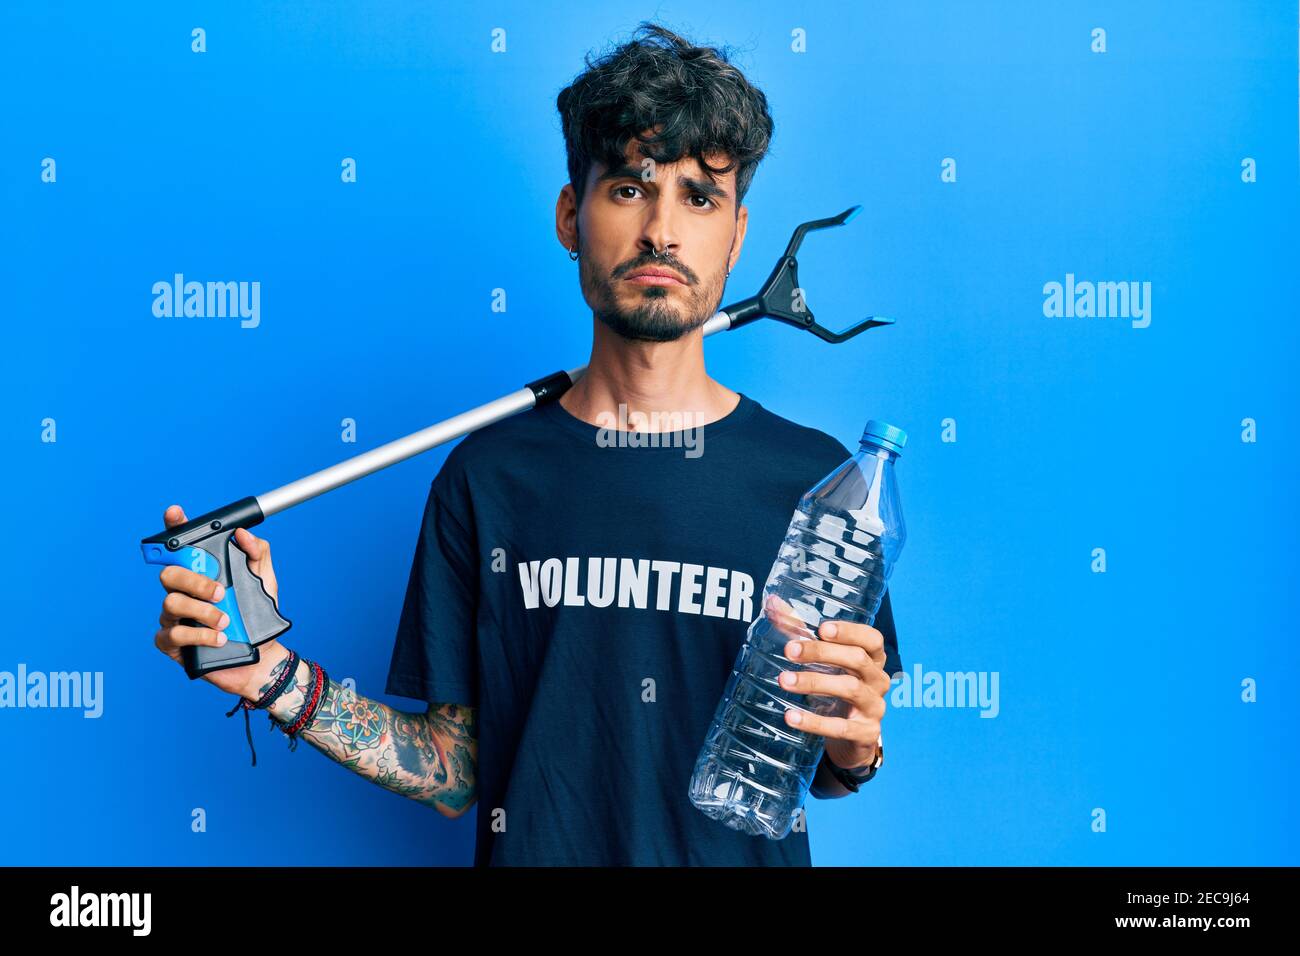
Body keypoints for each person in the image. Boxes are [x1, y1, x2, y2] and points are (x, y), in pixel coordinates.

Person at [152, 21, 901, 866]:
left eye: (699, 197)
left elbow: (824, 758)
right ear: (570, 215)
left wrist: (856, 748)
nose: (662, 229)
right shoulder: (486, 475)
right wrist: (270, 677)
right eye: (629, 187)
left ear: (737, 234)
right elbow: (452, 771)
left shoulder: (816, 484)